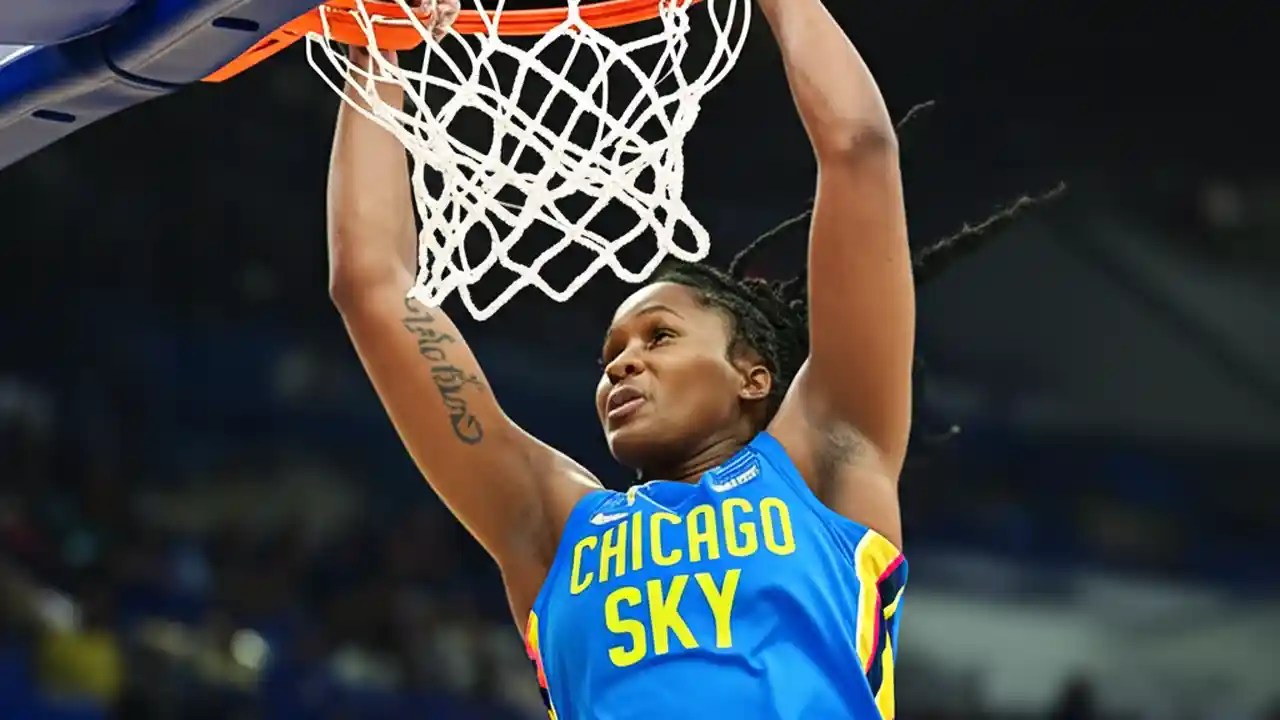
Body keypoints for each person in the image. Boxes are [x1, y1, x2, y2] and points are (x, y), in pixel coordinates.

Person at [327, 0, 1047, 716]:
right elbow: (371, 288)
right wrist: (382, 38)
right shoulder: (554, 526)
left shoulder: (825, 464)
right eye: (612, 353)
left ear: (752, 375)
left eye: (658, 336)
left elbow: (860, 150)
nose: (620, 365)